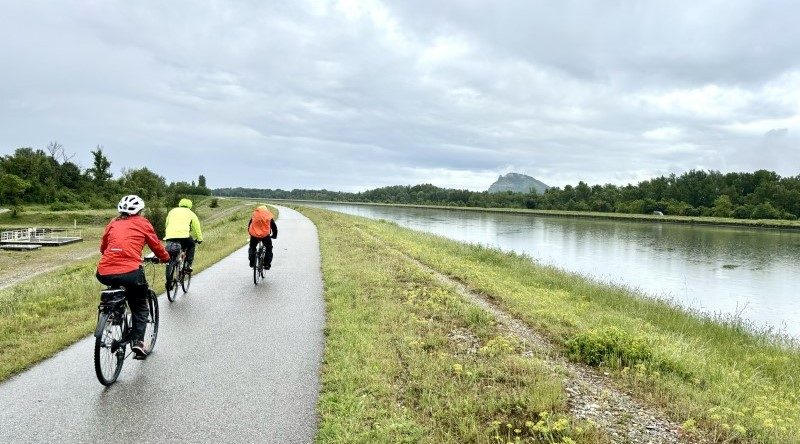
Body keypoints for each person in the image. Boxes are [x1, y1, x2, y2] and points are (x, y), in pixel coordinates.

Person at [96, 195, 170, 359]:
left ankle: (111, 314)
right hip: (131, 272)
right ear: (140, 211)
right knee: (140, 306)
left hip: (104, 272)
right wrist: (165, 258)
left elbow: (103, 247)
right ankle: (138, 342)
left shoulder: (112, 223)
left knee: (116, 288)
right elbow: (156, 245)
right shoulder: (143, 223)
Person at [164, 198, 203, 273]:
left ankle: (171, 269)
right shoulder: (191, 213)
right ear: (190, 206)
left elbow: (166, 224)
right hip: (184, 236)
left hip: (170, 236)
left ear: (180, 204)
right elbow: (196, 227)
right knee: (191, 245)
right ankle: (188, 264)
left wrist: (168, 234)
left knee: (171, 251)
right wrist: (199, 239)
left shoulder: (172, 211)